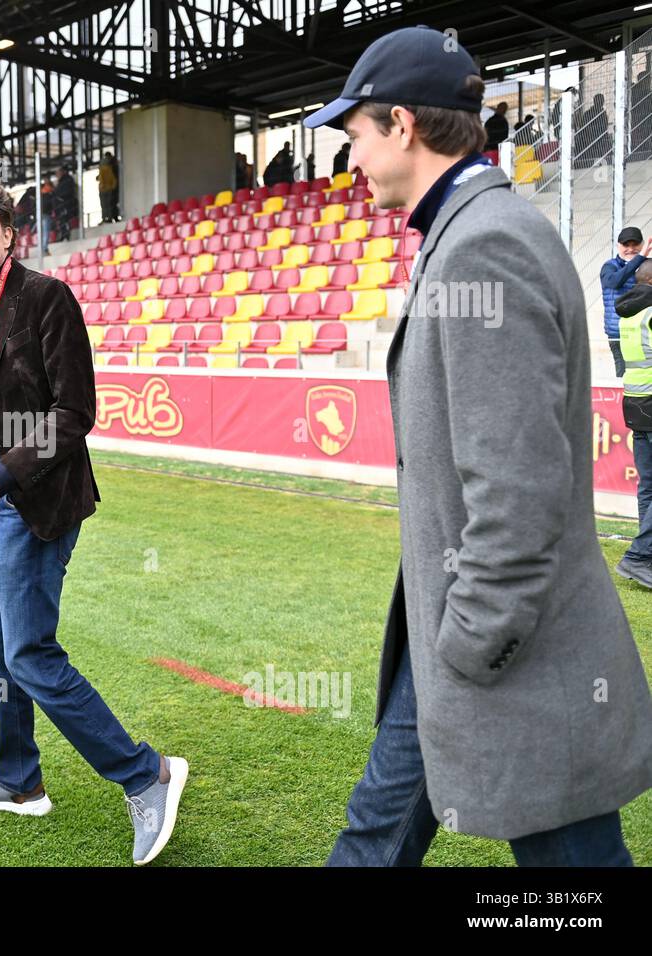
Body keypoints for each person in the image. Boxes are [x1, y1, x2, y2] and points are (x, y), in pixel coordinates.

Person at [305, 25, 652, 866]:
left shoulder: (483, 245)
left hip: (502, 645)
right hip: (473, 638)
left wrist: (465, 640)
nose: (348, 160)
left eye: (354, 135)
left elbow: (518, 491)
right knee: (375, 837)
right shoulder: (469, 231)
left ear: (402, 125)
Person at [0, 177, 188, 866]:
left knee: (29, 655)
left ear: (9, 232)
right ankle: (19, 779)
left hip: (36, 505)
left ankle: (145, 773)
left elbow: (75, 414)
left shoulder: (47, 298)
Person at [613, 261, 652, 589]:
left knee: (648, 486)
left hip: (635, 404)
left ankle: (646, 556)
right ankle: (639, 556)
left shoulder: (628, 313)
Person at [601, 227, 650, 376]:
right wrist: (639, 258)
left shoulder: (647, 265)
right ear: (618, 246)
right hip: (621, 334)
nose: (630, 249)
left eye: (635, 245)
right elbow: (615, 282)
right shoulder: (610, 266)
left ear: (642, 245)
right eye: (626, 245)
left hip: (646, 331)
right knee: (626, 376)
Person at [97, 151, 119, 223]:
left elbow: (100, 178)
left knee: (104, 205)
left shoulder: (101, 166)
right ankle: (112, 217)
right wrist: (114, 186)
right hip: (110, 188)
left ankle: (104, 218)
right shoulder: (112, 165)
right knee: (112, 204)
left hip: (102, 189)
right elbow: (114, 178)